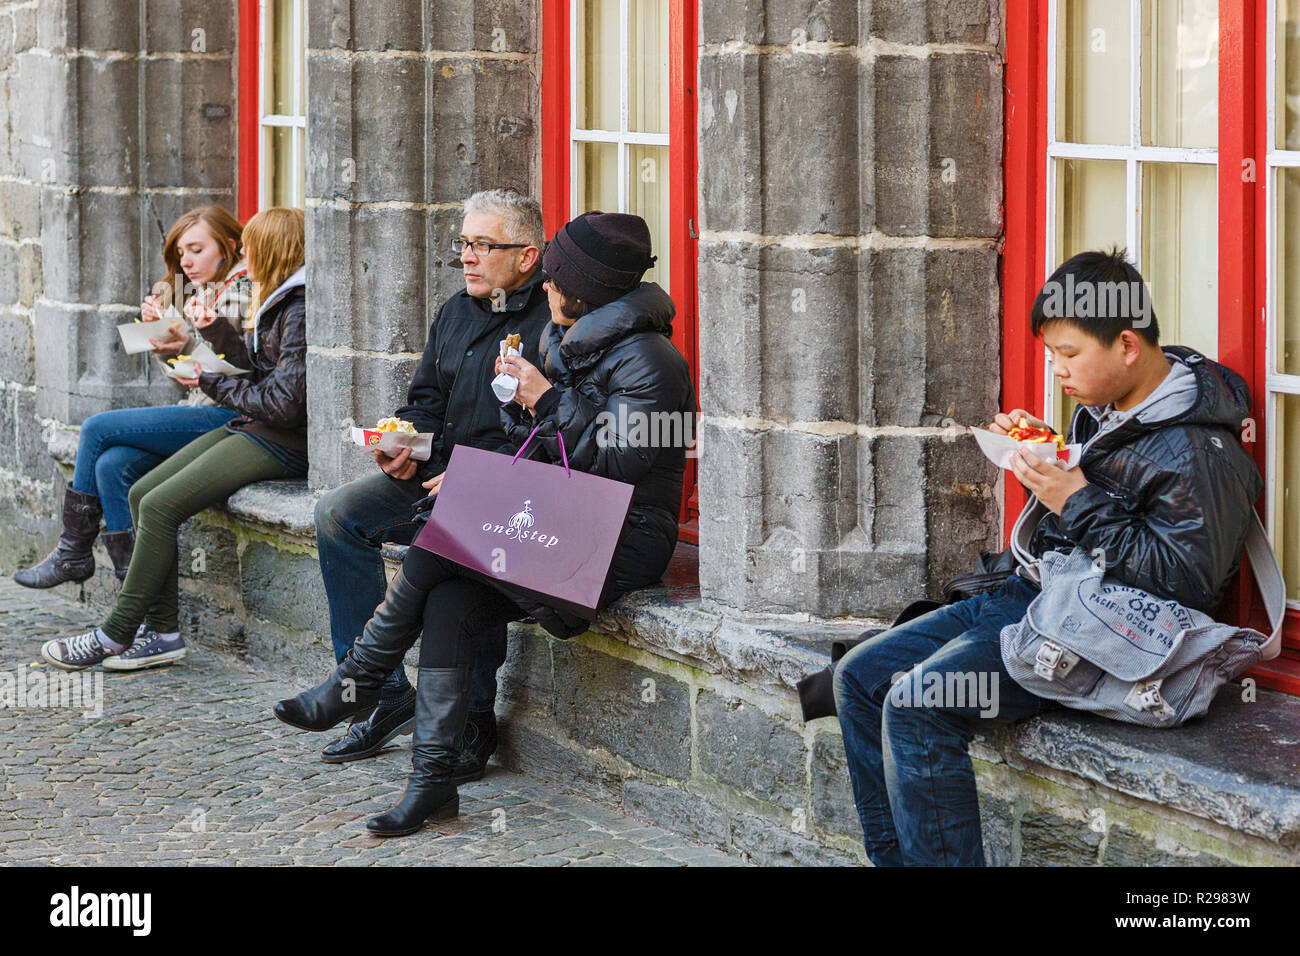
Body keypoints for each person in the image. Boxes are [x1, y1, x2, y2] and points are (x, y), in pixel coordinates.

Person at [832, 249, 1263, 866]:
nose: (1056, 368)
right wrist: (1047, 449)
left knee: (918, 704)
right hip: (1033, 593)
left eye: (1068, 354)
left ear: (1127, 346)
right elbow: (1110, 490)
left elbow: (1185, 586)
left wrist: (1075, 498)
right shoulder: (1118, 405)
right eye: (1049, 353)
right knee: (858, 677)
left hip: (1092, 633)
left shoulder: (1199, 452)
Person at [274, 211, 697, 836]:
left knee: (452, 529)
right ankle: (433, 779)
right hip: (559, 514)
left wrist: (546, 401)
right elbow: (528, 446)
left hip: (622, 534)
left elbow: (616, 467)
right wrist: (499, 455)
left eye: (555, 278)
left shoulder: (653, 362)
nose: (546, 290)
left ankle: (359, 676)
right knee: (448, 595)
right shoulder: (563, 338)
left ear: (586, 288)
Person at [309, 189, 550, 769]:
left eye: (483, 245)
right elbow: (425, 400)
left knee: (459, 543)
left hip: (506, 489)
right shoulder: (455, 310)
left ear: (526, 256)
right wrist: (404, 444)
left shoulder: (552, 324)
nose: (467, 257)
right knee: (338, 514)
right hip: (435, 472)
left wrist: (477, 478)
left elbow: (550, 433)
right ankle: (385, 692)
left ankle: (468, 719)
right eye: (463, 244)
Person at [39, 207, 309, 672]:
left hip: (281, 440)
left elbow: (284, 404)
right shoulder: (281, 301)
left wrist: (207, 377)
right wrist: (208, 331)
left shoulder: (298, 306)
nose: (245, 254)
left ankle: (115, 632)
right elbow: (254, 369)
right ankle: (162, 634)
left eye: (251, 248)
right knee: (142, 492)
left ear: (274, 250)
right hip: (253, 425)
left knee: (157, 499)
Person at [14, 206, 251, 589]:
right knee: (111, 465)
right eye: (180, 254)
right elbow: (190, 377)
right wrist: (165, 342)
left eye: (196, 250)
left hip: (232, 417)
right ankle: (137, 598)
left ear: (228, 245)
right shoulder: (204, 290)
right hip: (203, 409)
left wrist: (184, 341)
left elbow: (240, 368)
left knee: (96, 428)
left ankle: (73, 552)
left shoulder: (241, 291)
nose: (186, 262)